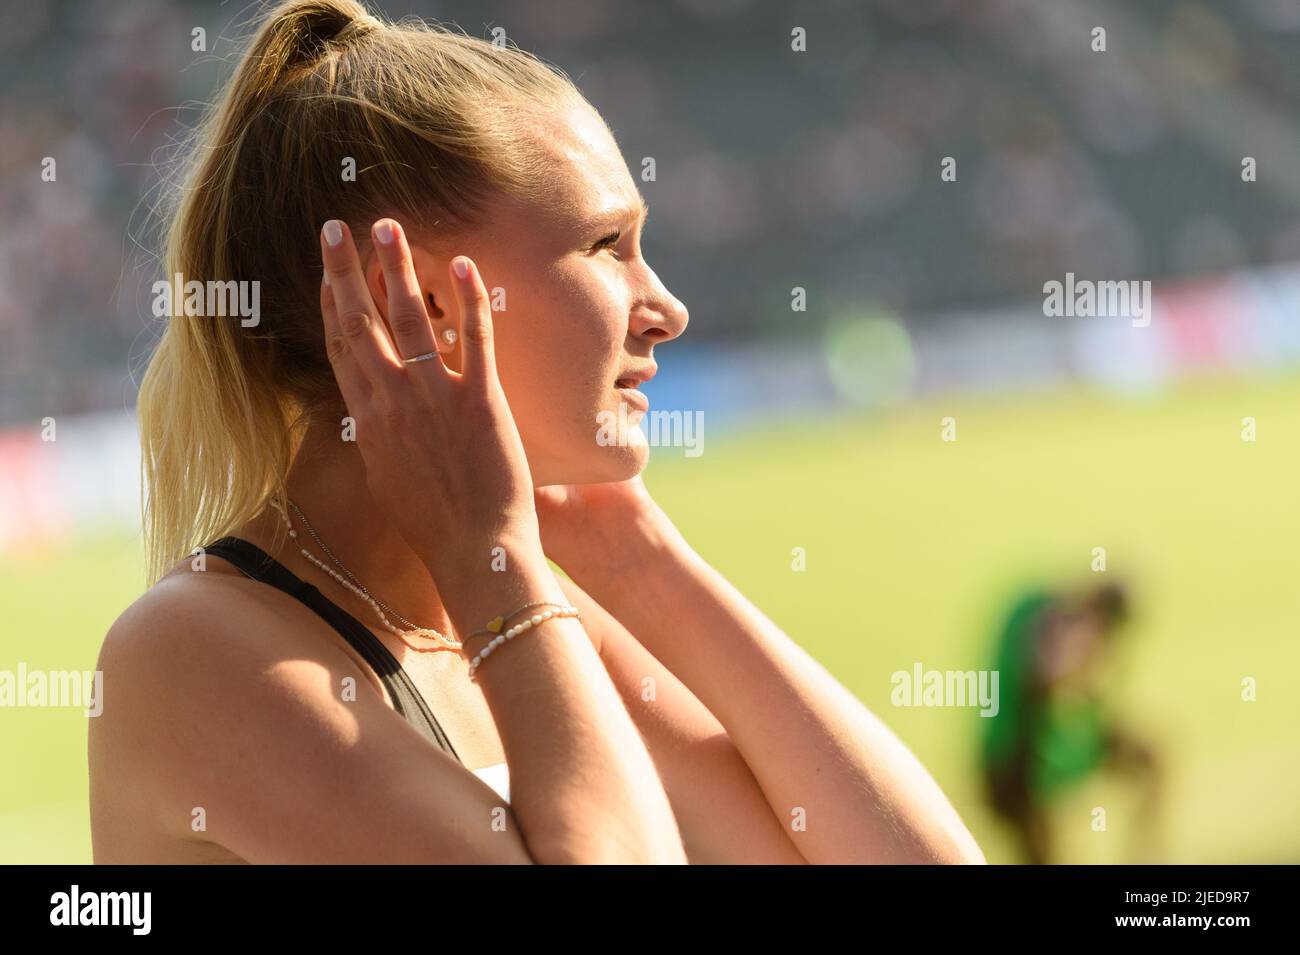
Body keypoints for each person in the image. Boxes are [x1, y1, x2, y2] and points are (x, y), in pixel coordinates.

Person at [88, 0, 985, 864]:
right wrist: (498, 558)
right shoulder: (198, 652)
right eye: (607, 245)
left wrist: (642, 559)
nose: (666, 307)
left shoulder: (526, 618)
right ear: (425, 302)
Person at [980, 583, 1160, 863]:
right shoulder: (1062, 630)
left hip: (1016, 764)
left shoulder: (1041, 607)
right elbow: (1048, 687)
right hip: (1015, 770)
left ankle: (1143, 857)